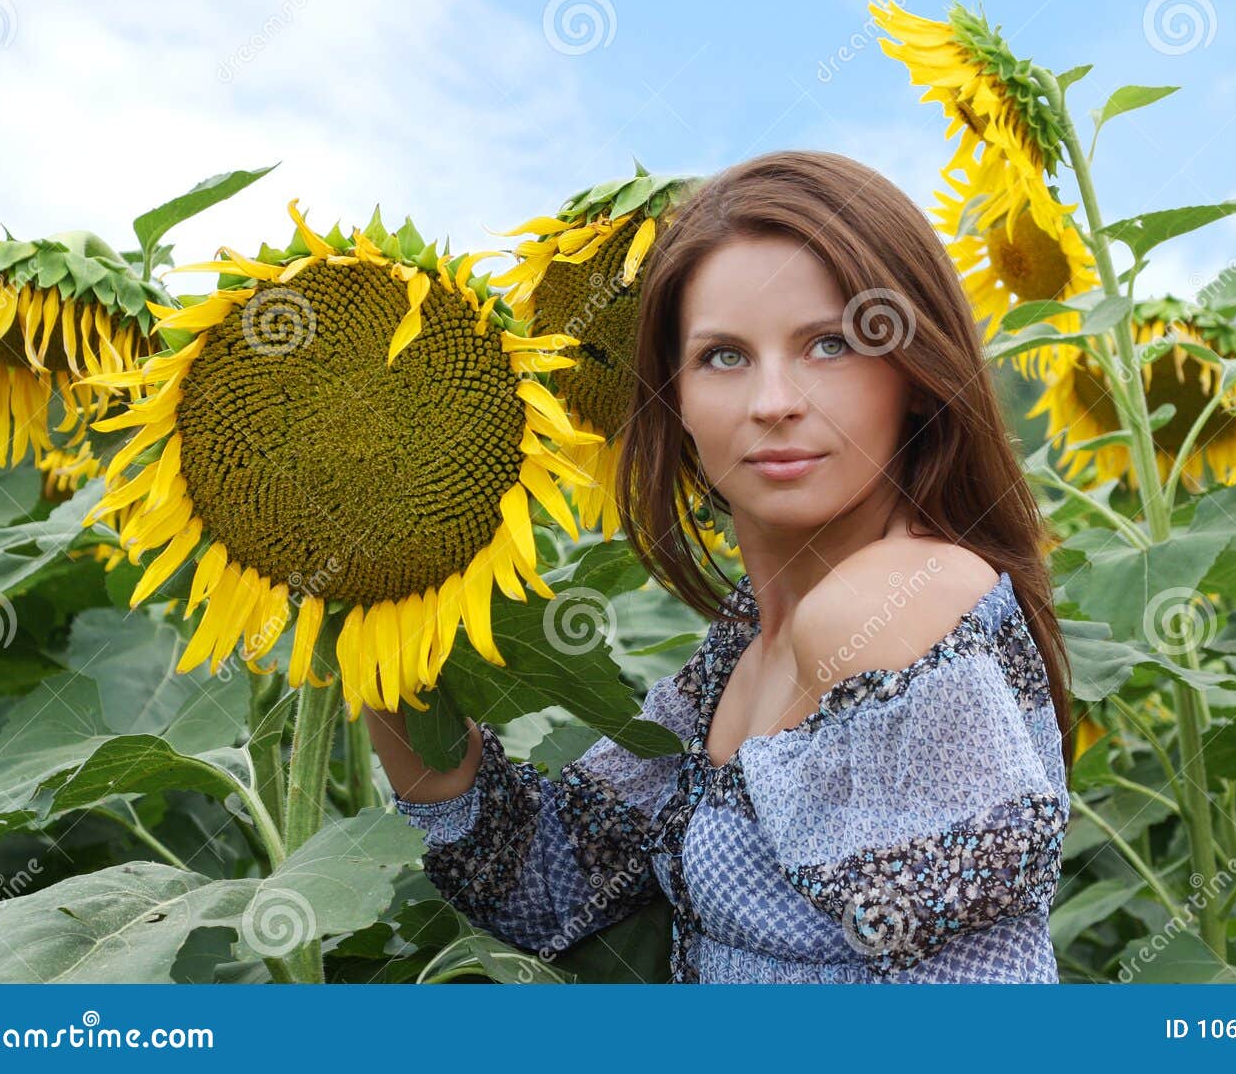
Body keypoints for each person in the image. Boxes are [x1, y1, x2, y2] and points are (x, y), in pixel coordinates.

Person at [366, 150, 1075, 983]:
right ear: (675, 398)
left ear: (916, 375)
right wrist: (378, 601)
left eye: (830, 345)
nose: (774, 401)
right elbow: (547, 879)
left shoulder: (884, 611)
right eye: (724, 357)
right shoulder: (744, 643)